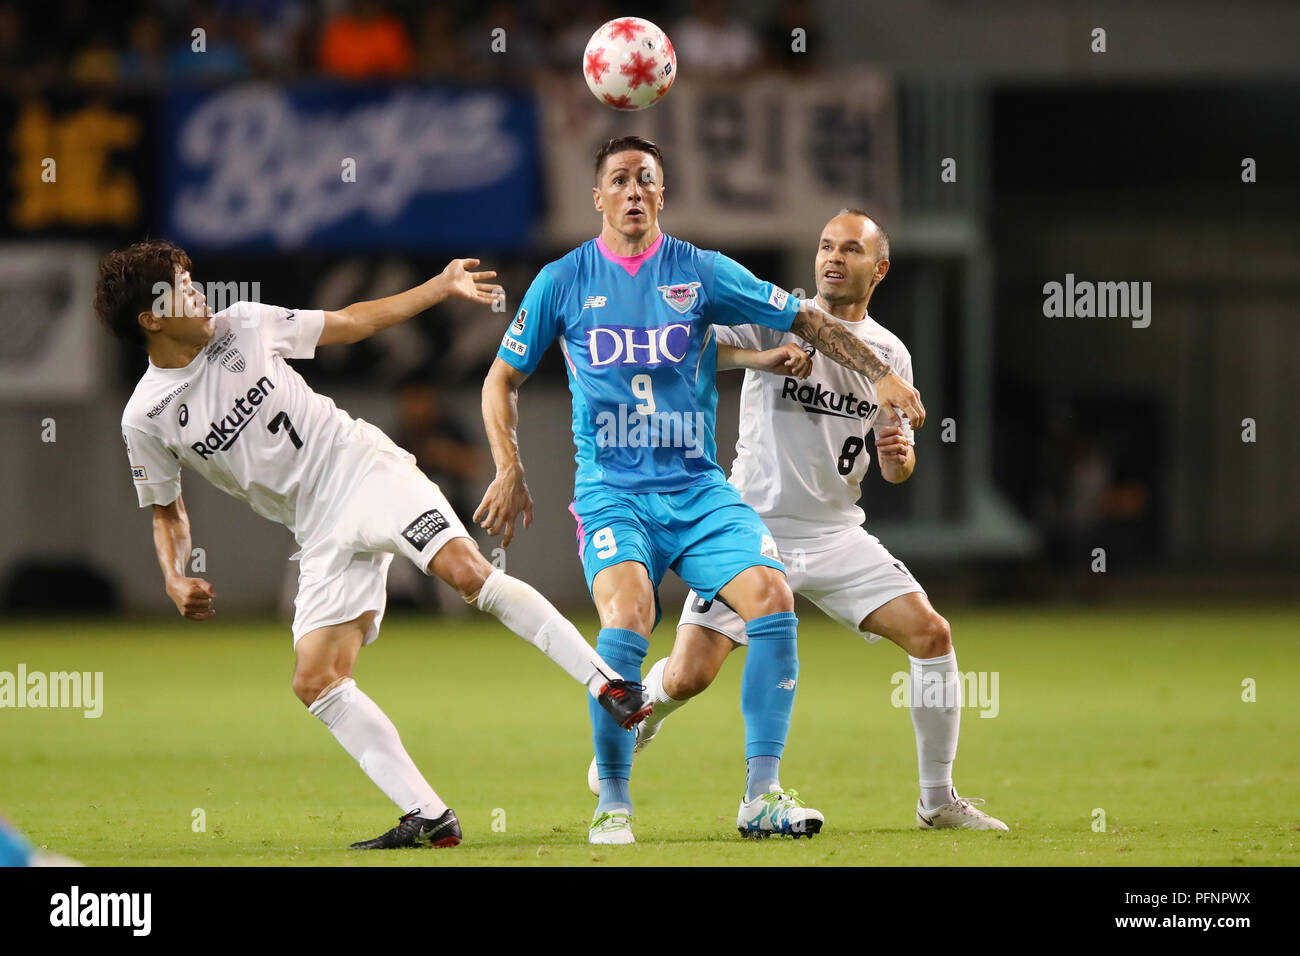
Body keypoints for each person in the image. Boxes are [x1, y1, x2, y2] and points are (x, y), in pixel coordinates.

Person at [96, 240, 650, 850]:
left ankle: (610, 684)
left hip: (363, 469)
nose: (198, 292)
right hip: (316, 528)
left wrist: (438, 286)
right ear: (150, 318)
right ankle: (429, 816)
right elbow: (167, 509)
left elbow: (352, 321)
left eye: (191, 279)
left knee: (465, 572)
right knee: (315, 679)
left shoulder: (244, 324)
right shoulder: (144, 415)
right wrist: (175, 575)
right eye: (180, 286)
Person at [476, 136, 926, 844]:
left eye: (645, 180)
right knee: (628, 619)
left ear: (662, 194)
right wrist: (509, 466)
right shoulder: (563, 281)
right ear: (598, 196)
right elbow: (502, 377)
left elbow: (804, 317)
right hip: (613, 493)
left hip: (697, 490)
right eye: (619, 180)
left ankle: (761, 797)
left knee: (773, 600)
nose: (632, 192)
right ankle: (613, 803)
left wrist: (879, 373)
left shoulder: (702, 272)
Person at [595, 210, 1008, 831]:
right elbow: (690, 345)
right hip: (751, 529)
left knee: (932, 635)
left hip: (836, 532)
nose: (832, 258)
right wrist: (761, 359)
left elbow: (892, 466)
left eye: (850, 249)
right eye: (824, 246)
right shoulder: (775, 312)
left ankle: (937, 799)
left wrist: (901, 458)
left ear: (880, 268)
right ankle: (646, 709)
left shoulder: (891, 353)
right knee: (689, 675)